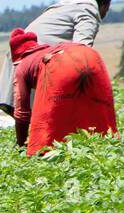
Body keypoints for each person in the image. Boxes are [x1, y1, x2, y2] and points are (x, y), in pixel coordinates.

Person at [0, 0, 112, 129]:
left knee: (10, 123)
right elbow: (82, 52)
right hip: (39, 65)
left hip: (19, 63)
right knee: (42, 127)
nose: (105, 15)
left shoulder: (57, 9)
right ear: (101, 4)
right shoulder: (88, 9)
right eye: (106, 10)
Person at [8, 27, 116, 156]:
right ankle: (108, 147)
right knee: (95, 107)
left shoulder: (22, 65)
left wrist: (21, 144)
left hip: (60, 64)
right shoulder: (49, 51)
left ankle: (45, 155)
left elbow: (21, 112)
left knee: (47, 122)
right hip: (91, 55)